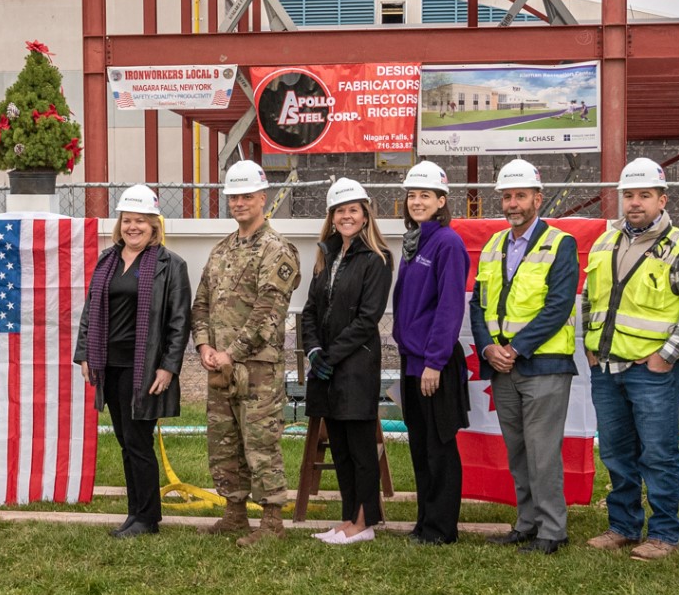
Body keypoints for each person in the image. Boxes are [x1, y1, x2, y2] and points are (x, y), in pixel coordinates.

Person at [582, 157, 679, 561]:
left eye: (644, 195)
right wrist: (589, 345)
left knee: (658, 454)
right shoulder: (606, 241)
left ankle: (663, 534)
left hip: (651, 372)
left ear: (662, 199)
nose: (635, 203)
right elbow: (590, 296)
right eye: (629, 195)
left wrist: (666, 356)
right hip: (607, 368)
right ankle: (623, 525)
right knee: (616, 453)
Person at [471, 159, 579, 555]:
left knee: (542, 450)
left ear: (538, 197)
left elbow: (558, 305)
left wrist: (515, 349)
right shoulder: (493, 245)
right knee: (517, 449)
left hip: (543, 365)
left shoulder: (560, 244)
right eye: (506, 196)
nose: (512, 203)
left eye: (520, 196)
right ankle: (527, 522)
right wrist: (488, 348)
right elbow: (478, 306)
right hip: (501, 366)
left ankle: (553, 529)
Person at [190, 159, 301, 547]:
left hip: (257, 369)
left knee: (260, 442)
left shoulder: (277, 250)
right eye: (233, 197)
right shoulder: (221, 250)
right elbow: (200, 302)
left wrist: (231, 353)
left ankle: (271, 522)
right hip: (220, 367)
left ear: (262, 198)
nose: (239, 203)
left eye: (246, 196)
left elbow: (268, 313)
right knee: (225, 440)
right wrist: (205, 346)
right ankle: (234, 513)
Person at [74, 184, 191, 539]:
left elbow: (179, 320)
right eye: (128, 220)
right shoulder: (107, 261)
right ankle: (135, 513)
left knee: (139, 442)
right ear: (120, 224)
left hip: (145, 368)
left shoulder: (171, 266)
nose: (133, 227)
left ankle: (148, 519)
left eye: (141, 221)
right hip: (110, 365)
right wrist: (84, 354)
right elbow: (90, 310)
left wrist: (168, 366)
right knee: (126, 441)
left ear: (154, 225)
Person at [300, 178, 394, 547]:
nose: (346, 216)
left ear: (366, 214)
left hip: (355, 367)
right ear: (332, 217)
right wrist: (312, 353)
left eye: (353, 209)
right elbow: (309, 311)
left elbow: (367, 319)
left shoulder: (378, 259)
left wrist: (331, 356)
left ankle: (365, 521)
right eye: (340, 210)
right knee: (339, 446)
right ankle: (346, 518)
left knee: (359, 447)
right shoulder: (327, 256)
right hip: (325, 367)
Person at [392, 160, 470, 546]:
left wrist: (434, 362)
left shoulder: (447, 243)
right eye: (411, 195)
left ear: (442, 201)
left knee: (439, 448)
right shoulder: (415, 242)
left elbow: (450, 307)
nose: (416, 201)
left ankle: (441, 529)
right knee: (420, 447)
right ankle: (425, 523)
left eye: (425, 195)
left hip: (432, 363)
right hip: (413, 361)